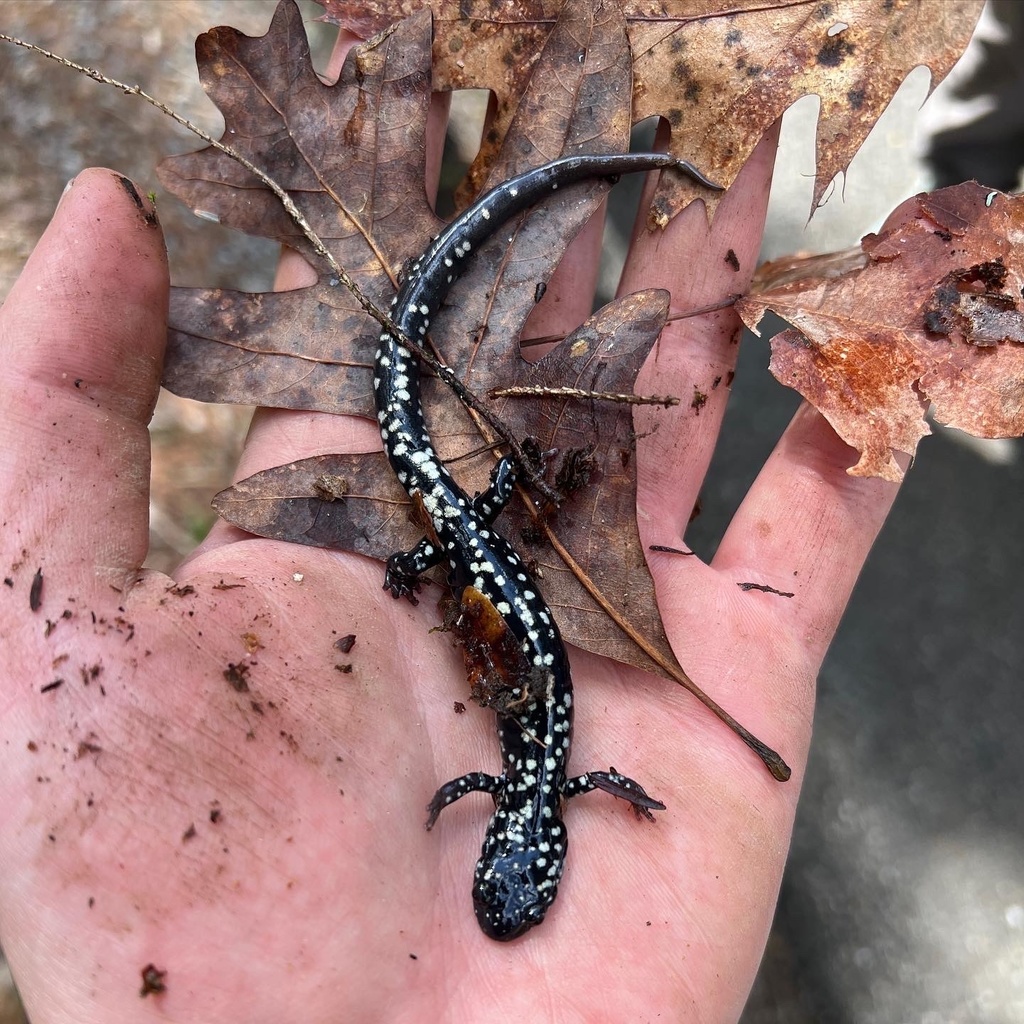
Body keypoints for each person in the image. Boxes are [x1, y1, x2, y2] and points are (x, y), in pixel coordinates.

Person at [0, 110, 900, 1019]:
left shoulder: (548, 790)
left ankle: (533, 239)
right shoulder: (521, 789)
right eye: (524, 889)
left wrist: (591, 796)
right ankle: (545, 212)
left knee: (424, 442)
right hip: (467, 547)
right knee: (432, 466)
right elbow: (482, 786)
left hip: (471, 543)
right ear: (531, 849)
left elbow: (499, 785)